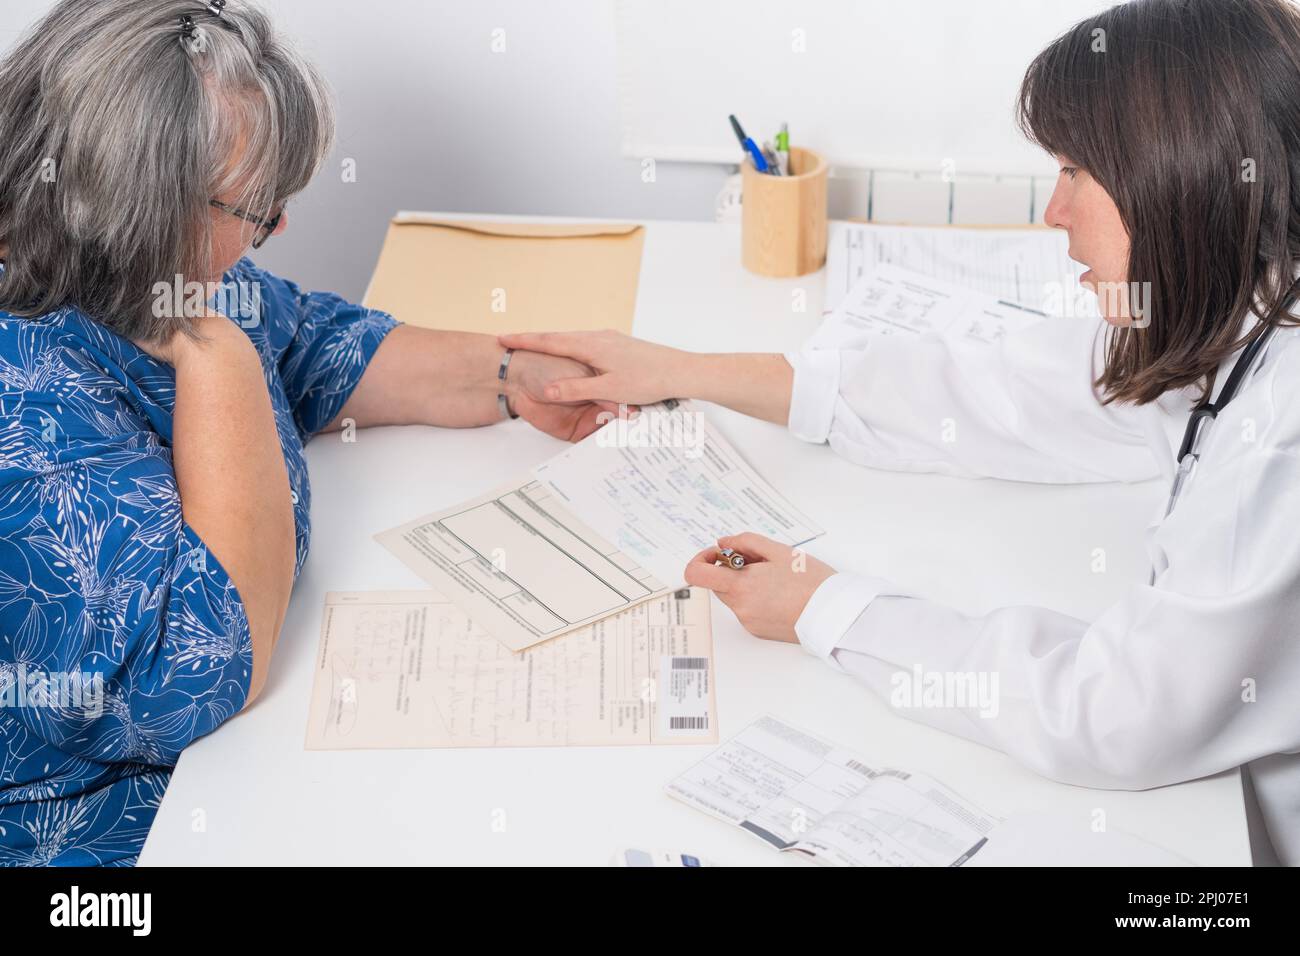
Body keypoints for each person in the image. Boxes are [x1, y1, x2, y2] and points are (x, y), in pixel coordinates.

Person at [500, 0, 1300, 865]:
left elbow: (1119, 717)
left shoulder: (1280, 436)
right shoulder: (1243, 307)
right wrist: (685, 370)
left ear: (1179, 179)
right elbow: (1005, 393)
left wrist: (833, 608)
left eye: (1075, 173)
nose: (1052, 213)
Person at [0, 0, 607, 865]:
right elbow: (197, 673)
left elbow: (315, 346)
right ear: (140, 203)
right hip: (120, 831)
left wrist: (511, 377)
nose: (278, 230)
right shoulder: (21, 392)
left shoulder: (159, 279)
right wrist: (220, 362)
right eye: (257, 209)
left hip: (255, 765)